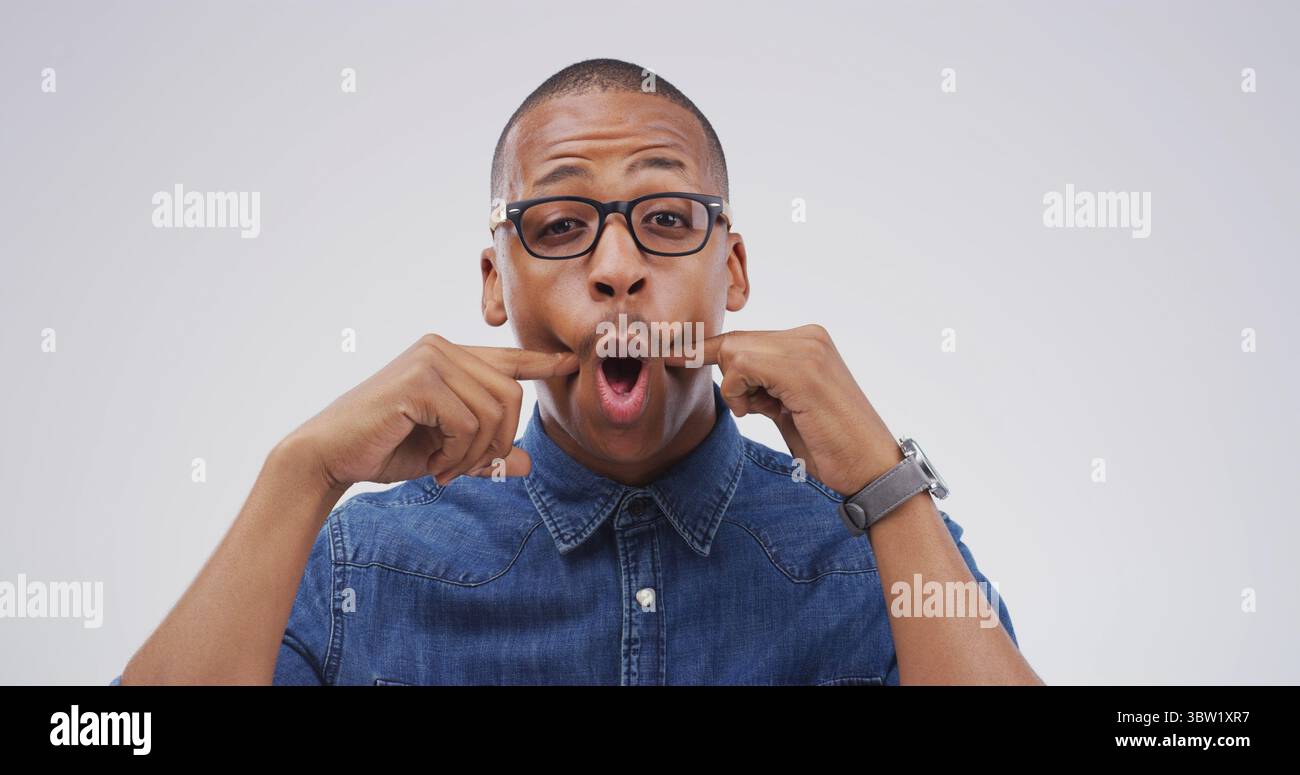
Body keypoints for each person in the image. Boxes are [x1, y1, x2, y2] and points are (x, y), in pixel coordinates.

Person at [111, 58, 1042, 685]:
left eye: (668, 220)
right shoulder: (367, 563)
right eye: (560, 227)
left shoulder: (877, 548)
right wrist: (297, 475)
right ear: (493, 283)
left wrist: (889, 484)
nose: (616, 267)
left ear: (736, 272)